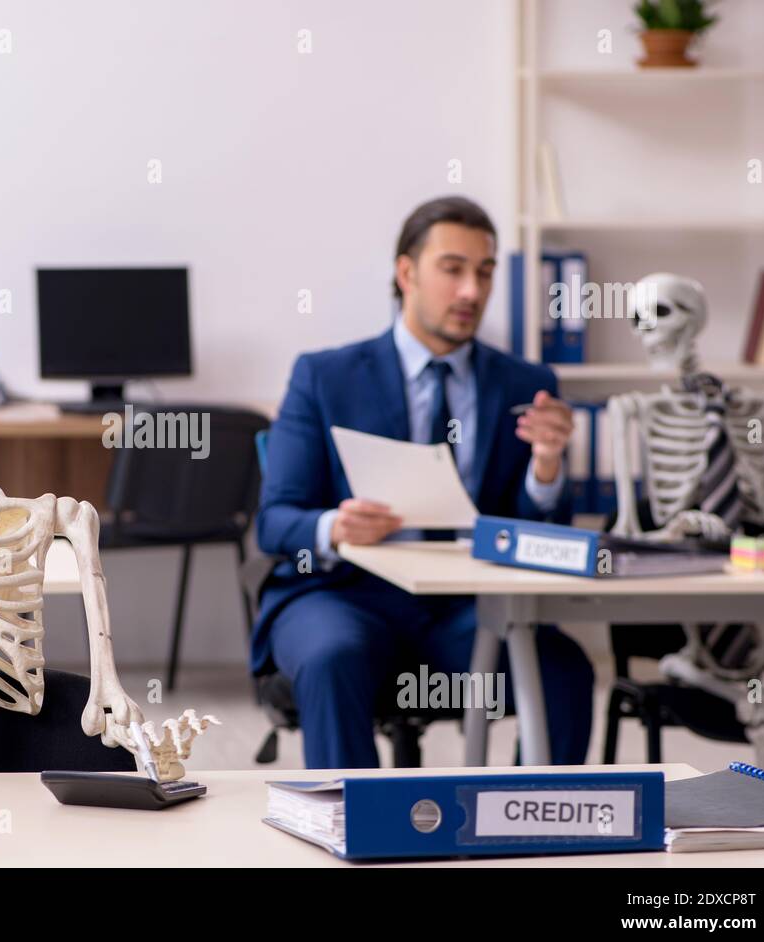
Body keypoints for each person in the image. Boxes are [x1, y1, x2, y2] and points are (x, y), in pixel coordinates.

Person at [252, 195, 593, 769]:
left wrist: (547, 466)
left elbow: (542, 535)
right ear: (406, 273)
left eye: (484, 272)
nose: (472, 292)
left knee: (563, 669)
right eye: (453, 269)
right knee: (333, 657)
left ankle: (526, 818)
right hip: (342, 595)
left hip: (468, 607)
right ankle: (353, 818)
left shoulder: (525, 383)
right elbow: (275, 521)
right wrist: (335, 527)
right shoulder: (325, 376)